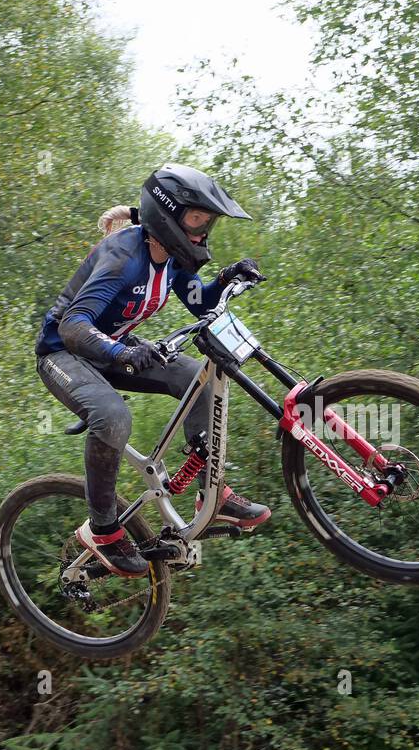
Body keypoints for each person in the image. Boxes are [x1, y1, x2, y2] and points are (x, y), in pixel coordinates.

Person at [35, 163, 271, 578]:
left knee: (199, 381)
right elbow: (73, 327)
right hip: (64, 354)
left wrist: (226, 279)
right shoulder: (121, 258)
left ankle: (211, 496)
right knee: (112, 417)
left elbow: (201, 302)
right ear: (169, 217)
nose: (203, 231)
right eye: (197, 220)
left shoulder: (173, 257)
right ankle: (103, 529)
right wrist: (121, 353)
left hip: (113, 348)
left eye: (207, 222)